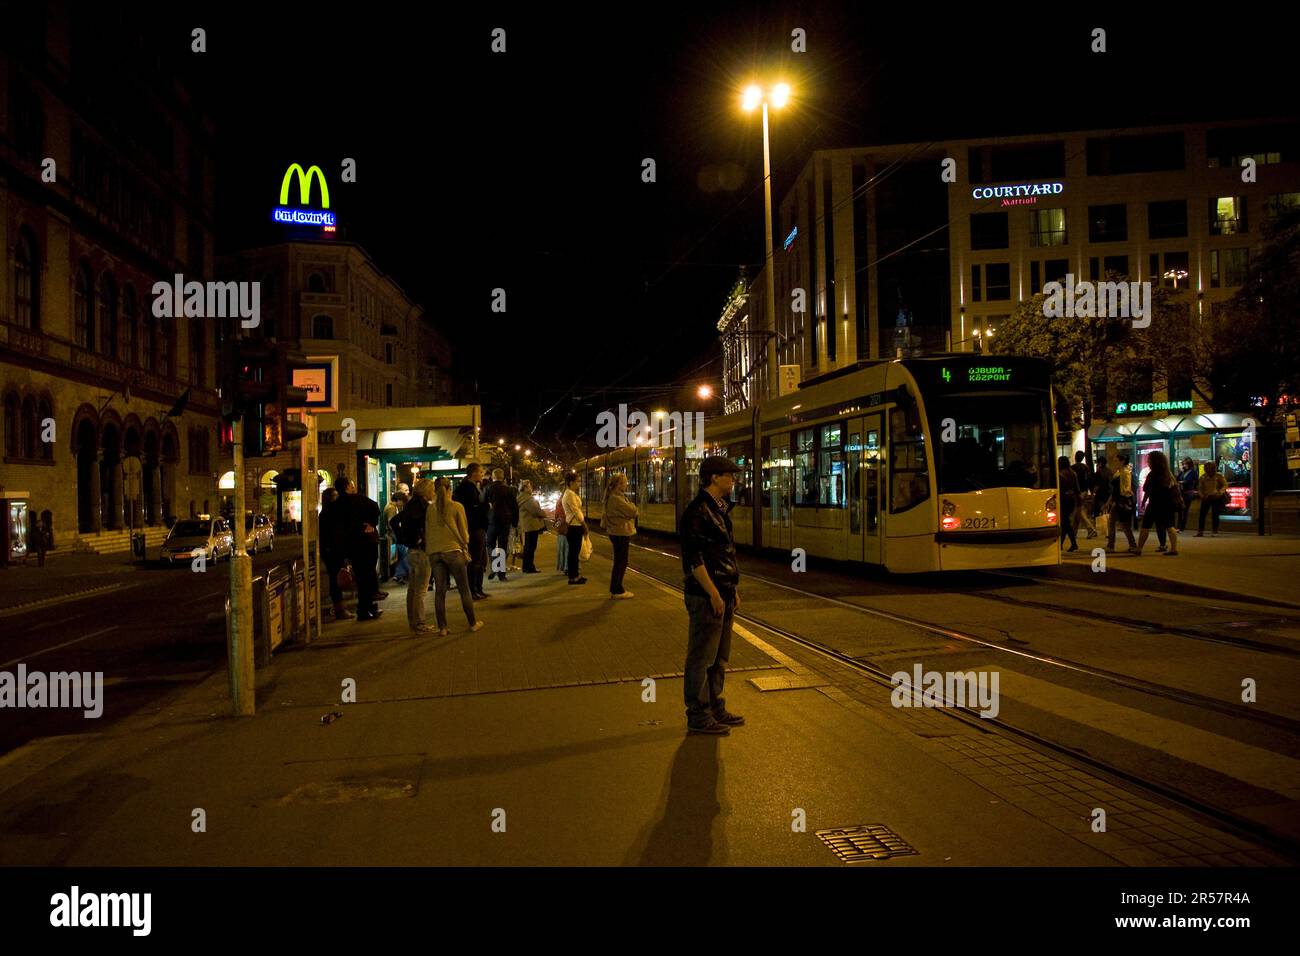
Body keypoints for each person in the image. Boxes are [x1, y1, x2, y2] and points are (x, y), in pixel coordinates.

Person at [679, 456, 745, 735]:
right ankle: (698, 713)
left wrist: (732, 590)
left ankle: (715, 705)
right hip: (706, 596)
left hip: (723, 593)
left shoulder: (719, 509)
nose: (733, 479)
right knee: (702, 657)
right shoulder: (697, 511)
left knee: (719, 657)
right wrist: (714, 594)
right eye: (729, 475)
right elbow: (694, 560)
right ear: (714, 478)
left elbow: (724, 554)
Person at [425, 476, 482, 634]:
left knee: (440, 592)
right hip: (453, 551)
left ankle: (442, 627)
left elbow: (428, 531)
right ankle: (472, 623)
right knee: (464, 589)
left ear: (435, 490)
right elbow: (464, 531)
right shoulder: (456, 506)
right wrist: (465, 543)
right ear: (449, 489)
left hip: (435, 553)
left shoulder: (430, 509)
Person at [337, 476, 384, 620]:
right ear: (347, 486)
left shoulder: (337, 504)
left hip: (350, 544)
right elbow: (375, 507)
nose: (353, 487)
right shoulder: (358, 499)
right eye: (351, 485)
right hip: (365, 542)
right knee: (367, 576)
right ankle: (365, 608)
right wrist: (371, 523)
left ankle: (365, 608)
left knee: (360, 575)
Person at [393, 481, 432, 633]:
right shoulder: (422, 506)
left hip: (412, 551)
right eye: (431, 489)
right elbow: (421, 524)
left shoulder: (410, 504)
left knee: (413, 589)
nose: (433, 492)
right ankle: (419, 623)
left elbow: (394, 521)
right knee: (420, 590)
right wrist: (418, 538)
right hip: (421, 551)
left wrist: (403, 539)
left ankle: (413, 622)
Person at [1134, 450, 1181, 556]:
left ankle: (1139, 548)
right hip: (1167, 503)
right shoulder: (1168, 474)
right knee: (1169, 526)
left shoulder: (1152, 474)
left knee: (1146, 526)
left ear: (1154, 462)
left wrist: (1144, 501)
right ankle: (1174, 548)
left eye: (1149, 461)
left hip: (1155, 503)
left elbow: (1147, 489)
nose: (1148, 463)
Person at [454, 464, 490, 600]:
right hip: (474, 528)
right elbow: (470, 509)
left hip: (477, 527)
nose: (482, 474)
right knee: (475, 560)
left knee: (480, 560)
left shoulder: (472, 487)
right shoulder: (467, 489)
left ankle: (478, 588)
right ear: (473, 473)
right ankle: (473, 590)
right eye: (480, 472)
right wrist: (485, 506)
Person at [602, 472, 639, 598]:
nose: (626, 484)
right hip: (620, 532)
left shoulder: (615, 497)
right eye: (625, 482)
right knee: (621, 561)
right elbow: (633, 511)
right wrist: (632, 507)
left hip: (617, 532)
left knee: (619, 560)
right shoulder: (616, 499)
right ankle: (617, 589)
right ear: (619, 484)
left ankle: (616, 588)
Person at [318, 487, 352, 620]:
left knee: (337, 578)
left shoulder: (330, 512)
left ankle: (340, 607)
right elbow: (332, 534)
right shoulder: (328, 513)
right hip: (332, 551)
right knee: (335, 579)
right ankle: (339, 609)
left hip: (333, 550)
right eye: (334, 496)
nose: (337, 499)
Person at [483, 468, 520, 583]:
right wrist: (515, 522)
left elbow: (483, 505)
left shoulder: (487, 489)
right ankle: (501, 573)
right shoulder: (509, 490)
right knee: (502, 546)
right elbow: (514, 507)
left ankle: (494, 565)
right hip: (505, 521)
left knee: (490, 544)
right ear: (503, 477)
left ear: (493, 477)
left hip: (491, 521)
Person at [1106, 453, 1137, 552]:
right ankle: (1114, 545)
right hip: (1118, 500)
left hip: (1121, 501)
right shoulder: (1119, 472)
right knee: (1119, 524)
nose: (1114, 462)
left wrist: (1122, 497)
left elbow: (1126, 489)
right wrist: (1110, 501)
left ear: (1122, 461)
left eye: (1116, 461)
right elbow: (1116, 489)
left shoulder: (1125, 472)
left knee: (1123, 524)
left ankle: (1113, 546)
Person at [561, 472, 588, 585]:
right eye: (577, 481)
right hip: (574, 526)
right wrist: (584, 524)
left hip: (574, 526)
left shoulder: (569, 493)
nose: (579, 483)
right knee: (573, 552)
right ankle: (573, 577)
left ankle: (575, 575)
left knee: (574, 552)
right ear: (571, 482)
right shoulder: (570, 494)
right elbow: (576, 511)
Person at [517, 480, 545, 573]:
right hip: (531, 525)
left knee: (528, 546)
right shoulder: (527, 499)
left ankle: (526, 566)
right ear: (525, 488)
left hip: (527, 525)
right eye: (530, 486)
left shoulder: (521, 497)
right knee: (531, 547)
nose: (531, 488)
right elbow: (535, 511)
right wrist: (543, 513)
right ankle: (529, 567)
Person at [383, 490, 410, 584]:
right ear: (398, 500)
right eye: (402, 502)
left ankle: (399, 574)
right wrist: (399, 532)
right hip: (394, 534)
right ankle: (402, 573)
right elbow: (391, 522)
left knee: (401, 554)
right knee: (404, 552)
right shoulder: (392, 508)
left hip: (392, 534)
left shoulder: (389, 506)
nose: (402, 505)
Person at [1196, 461, 1228, 536]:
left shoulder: (1218, 476)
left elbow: (1225, 485)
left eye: (1209, 467)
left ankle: (1214, 531)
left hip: (1216, 497)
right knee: (1202, 515)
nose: (1207, 469)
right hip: (1206, 497)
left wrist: (1220, 493)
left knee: (1215, 514)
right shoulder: (1203, 477)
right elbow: (1200, 488)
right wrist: (1202, 495)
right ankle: (1200, 531)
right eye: (1206, 467)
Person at [1070, 451, 1097, 538]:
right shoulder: (1086, 468)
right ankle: (1074, 532)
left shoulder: (1073, 468)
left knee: (1079, 511)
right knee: (1078, 511)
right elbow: (1090, 480)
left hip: (1077, 492)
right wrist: (1091, 492)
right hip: (1085, 491)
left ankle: (1090, 529)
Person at [1057, 456, 1079, 552]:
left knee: (1065, 522)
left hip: (1063, 499)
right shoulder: (1073, 473)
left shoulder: (1059, 474)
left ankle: (1072, 544)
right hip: (1071, 499)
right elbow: (1077, 488)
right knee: (1065, 522)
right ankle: (1063, 544)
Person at [1176, 458, 1200, 533]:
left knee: (1184, 510)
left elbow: (1195, 481)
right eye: (1183, 464)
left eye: (1185, 464)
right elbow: (1177, 479)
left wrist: (1184, 482)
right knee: (1180, 510)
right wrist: (1180, 471)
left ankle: (1181, 528)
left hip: (1188, 492)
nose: (1184, 466)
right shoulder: (1183, 472)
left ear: (1189, 464)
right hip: (1181, 493)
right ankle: (1178, 526)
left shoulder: (1193, 472)